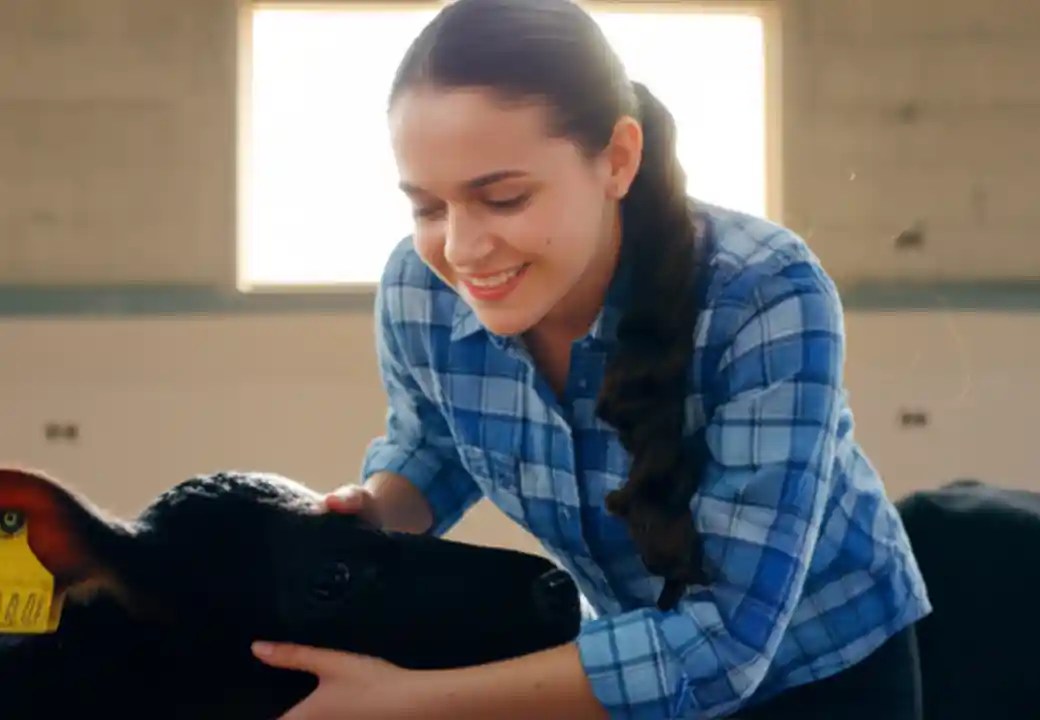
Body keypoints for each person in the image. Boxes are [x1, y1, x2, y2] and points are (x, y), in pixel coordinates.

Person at [250, 0, 932, 717]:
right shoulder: (421, 290)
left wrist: (410, 703)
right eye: (427, 208)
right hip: (630, 659)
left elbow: (727, 641)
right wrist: (379, 507)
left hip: (822, 667)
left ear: (618, 159)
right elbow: (434, 440)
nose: (461, 248)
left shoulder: (764, 293)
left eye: (504, 198)